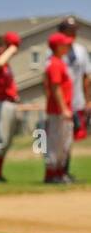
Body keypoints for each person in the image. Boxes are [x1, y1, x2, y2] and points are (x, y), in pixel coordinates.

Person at [0, 31, 22, 183]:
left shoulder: (7, 66)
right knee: (1, 139)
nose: (3, 48)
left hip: (10, 102)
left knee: (7, 141)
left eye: (4, 45)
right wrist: (11, 49)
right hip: (2, 103)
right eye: (0, 46)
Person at [59, 17, 89, 176]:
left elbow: (86, 77)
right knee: (58, 139)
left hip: (77, 102)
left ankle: (64, 171)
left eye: (74, 30)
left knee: (69, 139)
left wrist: (88, 100)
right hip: (60, 104)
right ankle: (55, 172)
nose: (72, 33)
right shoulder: (54, 50)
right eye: (69, 30)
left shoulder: (81, 51)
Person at [43, 31, 75, 184]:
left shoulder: (59, 62)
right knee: (55, 143)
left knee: (64, 143)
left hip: (63, 110)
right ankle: (52, 174)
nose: (68, 45)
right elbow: (56, 88)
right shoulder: (54, 63)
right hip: (58, 111)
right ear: (57, 46)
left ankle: (60, 173)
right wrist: (63, 109)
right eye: (65, 43)